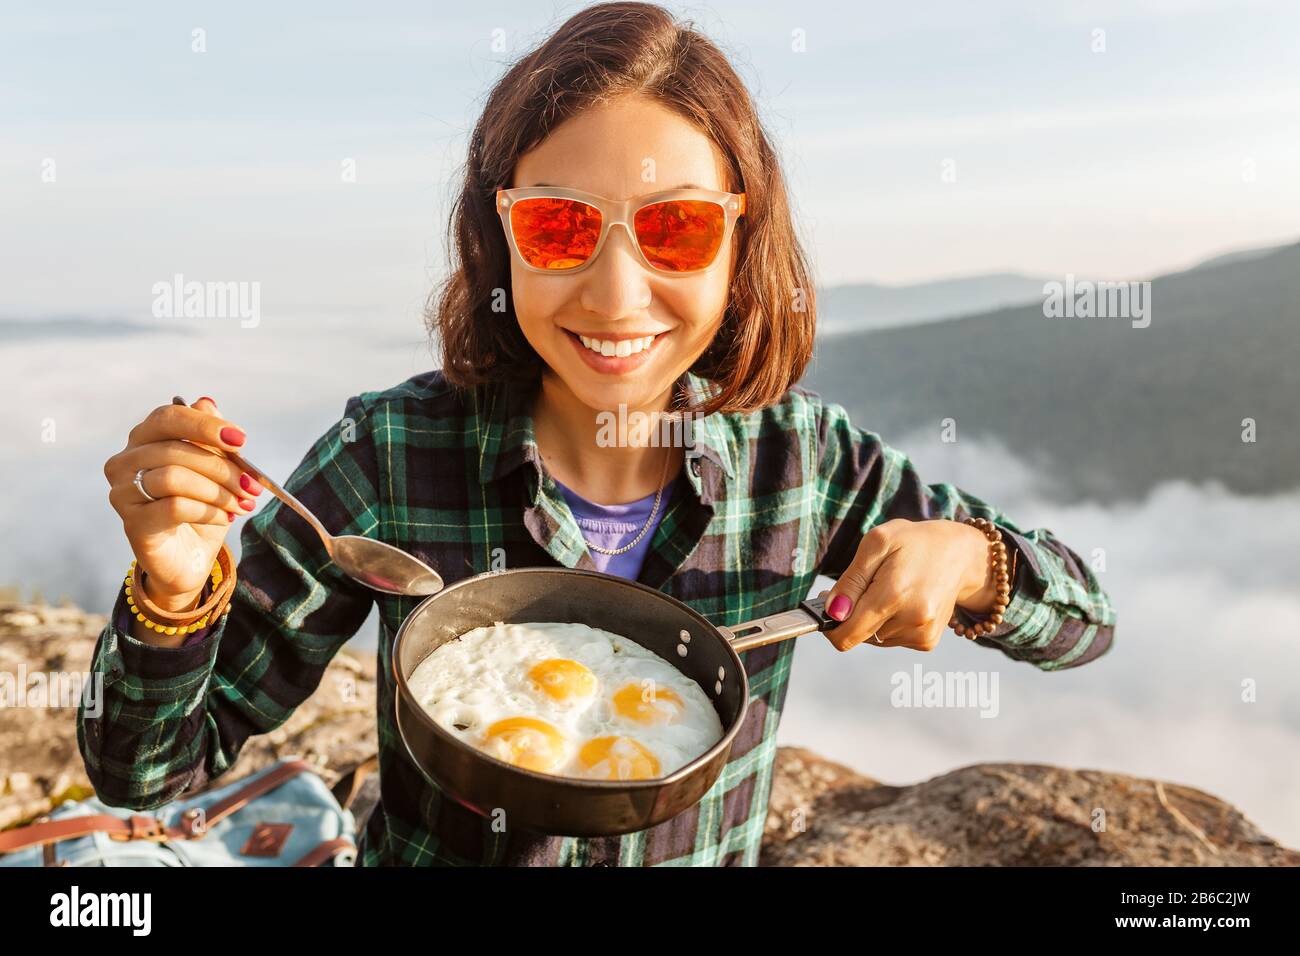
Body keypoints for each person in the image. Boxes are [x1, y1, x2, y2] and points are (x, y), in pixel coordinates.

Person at [82, 1, 1116, 867]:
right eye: (562, 226)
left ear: (738, 237)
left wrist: (973, 563)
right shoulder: (390, 454)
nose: (617, 293)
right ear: (501, 235)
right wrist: (175, 590)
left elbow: (1084, 618)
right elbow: (153, 773)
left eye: (675, 228)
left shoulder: (807, 462)